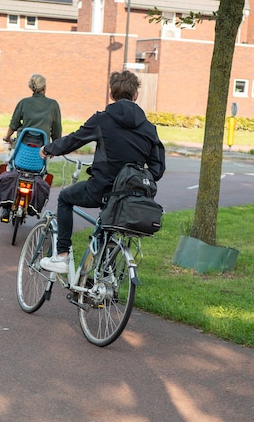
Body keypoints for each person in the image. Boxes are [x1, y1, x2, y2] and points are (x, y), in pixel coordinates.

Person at [37, 71, 165, 274]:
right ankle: (104, 274)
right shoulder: (149, 128)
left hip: (100, 190)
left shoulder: (102, 120)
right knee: (109, 222)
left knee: (65, 198)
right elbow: (157, 169)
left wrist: (49, 149)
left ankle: (62, 256)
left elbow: (75, 139)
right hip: (130, 197)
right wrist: (133, 178)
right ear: (136, 95)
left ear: (111, 94)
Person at [4, 74, 62, 144]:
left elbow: (13, 124)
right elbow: (57, 130)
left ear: (32, 87)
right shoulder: (53, 104)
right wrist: (55, 146)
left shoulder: (23, 102)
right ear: (44, 87)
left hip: (23, 143)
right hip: (43, 146)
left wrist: (7, 137)